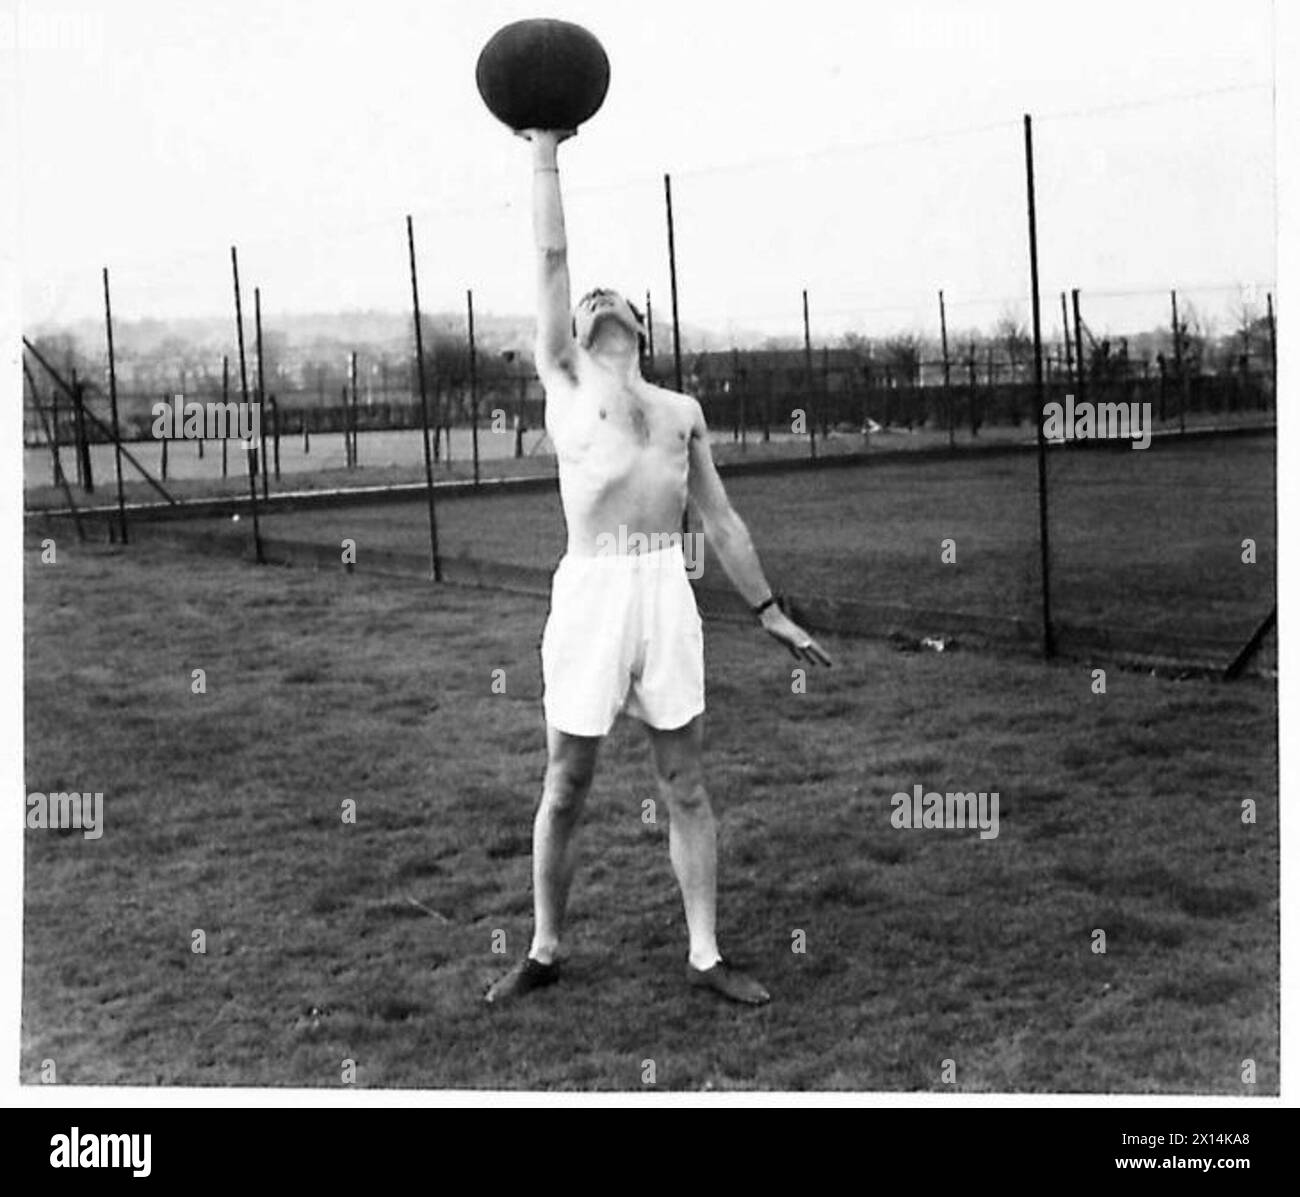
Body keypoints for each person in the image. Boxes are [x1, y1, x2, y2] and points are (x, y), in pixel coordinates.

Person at [486, 128, 832, 1007]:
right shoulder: (565, 380)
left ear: (641, 324)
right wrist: (545, 151)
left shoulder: (681, 410)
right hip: (593, 588)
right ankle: (544, 947)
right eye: (588, 298)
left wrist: (769, 611)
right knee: (566, 780)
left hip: (663, 591)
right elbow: (553, 252)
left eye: (618, 298)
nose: (601, 298)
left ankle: (706, 953)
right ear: (572, 329)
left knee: (685, 782)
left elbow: (718, 518)